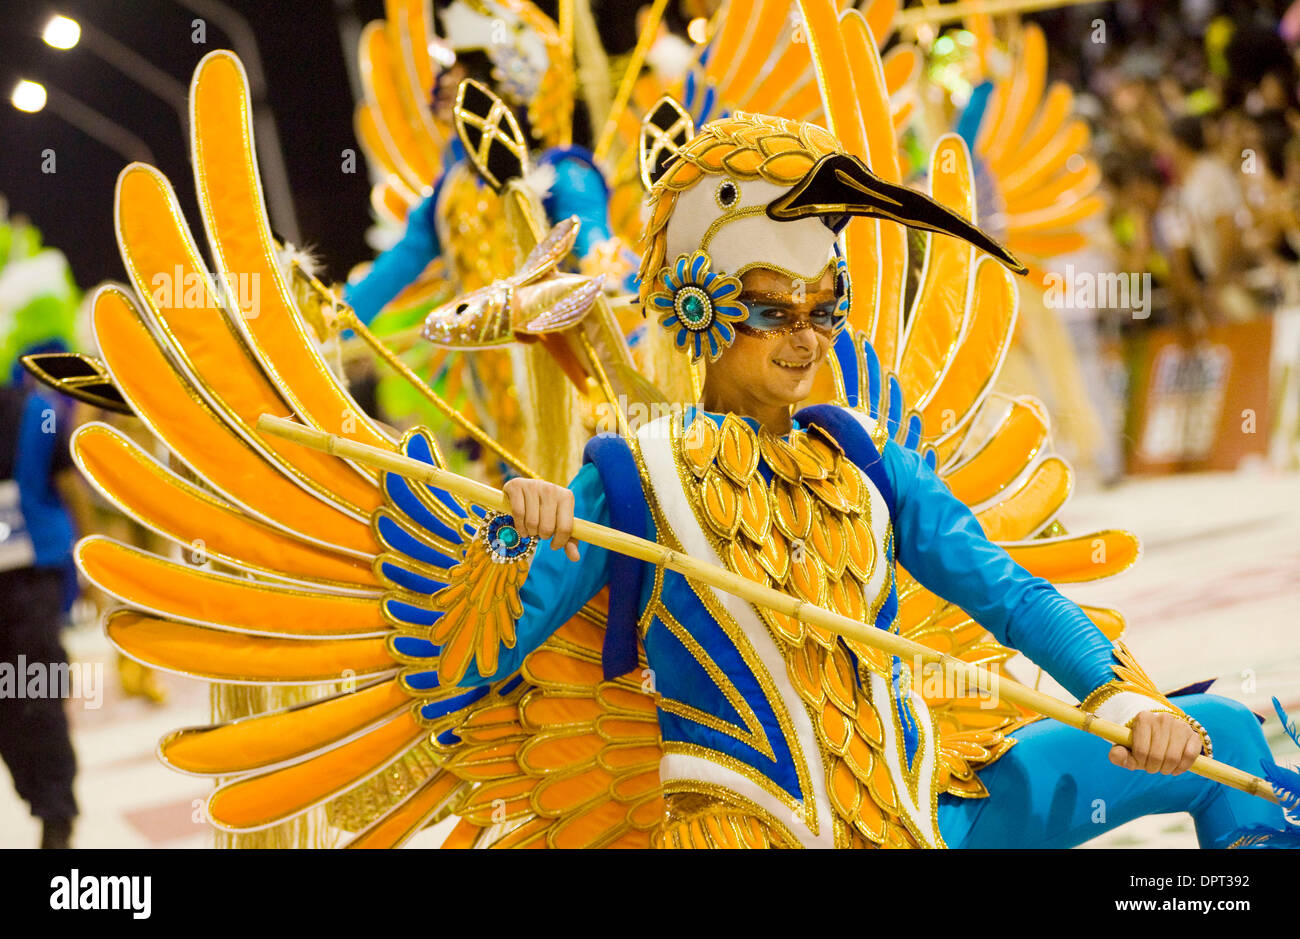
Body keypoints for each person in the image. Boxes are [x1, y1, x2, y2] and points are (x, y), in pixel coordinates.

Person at [426, 112, 1290, 848]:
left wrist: (1128, 697)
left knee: (1234, 749)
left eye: (824, 312)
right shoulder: (631, 475)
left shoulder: (861, 454)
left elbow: (1013, 599)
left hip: (923, 811)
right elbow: (465, 656)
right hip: (751, 832)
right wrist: (515, 533)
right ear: (700, 305)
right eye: (773, 313)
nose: (806, 340)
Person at [0, 356, 81, 849]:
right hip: (32, 576)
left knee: (38, 694)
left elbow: (68, 483)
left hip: (33, 579)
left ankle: (56, 811)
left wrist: (94, 562)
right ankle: (43, 799)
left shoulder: (35, 411)